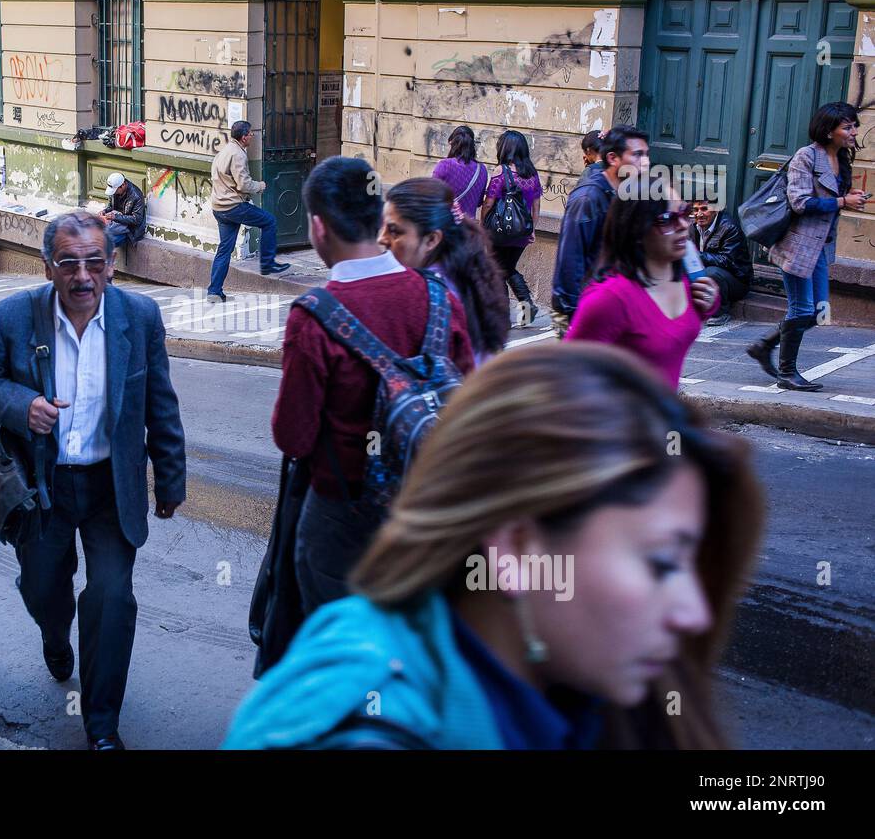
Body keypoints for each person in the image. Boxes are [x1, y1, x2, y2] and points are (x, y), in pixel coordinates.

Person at [223, 342, 764, 749]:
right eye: (662, 562)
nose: (694, 613)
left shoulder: (597, 683)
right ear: (518, 549)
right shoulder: (367, 728)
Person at [0, 211, 186, 750]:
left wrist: (171, 480)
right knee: (45, 588)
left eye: (95, 262)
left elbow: (159, 400)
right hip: (43, 486)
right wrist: (24, 406)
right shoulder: (11, 317)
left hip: (113, 486)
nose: (83, 276)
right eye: (69, 263)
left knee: (113, 598)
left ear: (111, 265)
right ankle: (53, 634)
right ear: (49, 268)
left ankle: (102, 726)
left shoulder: (140, 317)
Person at [273, 157, 471, 617]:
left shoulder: (313, 317)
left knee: (342, 655)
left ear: (318, 229)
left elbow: (293, 437)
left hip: (343, 522)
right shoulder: (440, 298)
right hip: (426, 517)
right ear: (378, 217)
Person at [747, 103, 868, 391]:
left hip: (821, 248)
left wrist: (849, 193)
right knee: (802, 308)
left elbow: (828, 193)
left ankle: (764, 346)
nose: (854, 131)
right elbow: (800, 202)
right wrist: (843, 201)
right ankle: (787, 373)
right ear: (829, 131)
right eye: (847, 126)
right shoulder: (806, 156)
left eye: (854, 125)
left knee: (816, 311)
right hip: (798, 245)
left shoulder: (840, 157)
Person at [565, 190, 720, 389]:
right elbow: (569, 376)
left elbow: (679, 328)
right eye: (666, 219)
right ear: (637, 229)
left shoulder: (684, 274)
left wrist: (709, 301)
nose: (683, 225)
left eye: (684, 213)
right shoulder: (608, 298)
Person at [380, 177, 510, 366]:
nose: (381, 239)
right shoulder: (467, 273)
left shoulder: (425, 294)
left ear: (432, 240)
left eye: (394, 231)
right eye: (382, 227)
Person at [552, 125, 649, 338]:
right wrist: (574, 314)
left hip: (612, 304)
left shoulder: (629, 194)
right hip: (583, 308)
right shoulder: (588, 198)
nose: (646, 162)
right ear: (613, 158)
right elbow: (571, 258)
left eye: (646, 154)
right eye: (638, 155)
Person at [207, 120, 288, 303]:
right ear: (244, 137)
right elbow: (243, 184)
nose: (252, 136)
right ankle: (267, 263)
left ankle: (214, 291)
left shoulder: (225, 150)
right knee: (269, 221)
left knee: (224, 250)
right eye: (251, 133)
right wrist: (260, 186)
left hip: (219, 207)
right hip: (233, 206)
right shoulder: (238, 154)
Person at [481, 130, 542, 326]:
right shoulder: (532, 174)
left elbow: (489, 202)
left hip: (500, 231)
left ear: (504, 148)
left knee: (500, 270)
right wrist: (532, 228)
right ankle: (526, 309)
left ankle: (508, 315)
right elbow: (536, 204)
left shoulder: (501, 171)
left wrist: (483, 227)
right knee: (506, 268)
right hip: (522, 231)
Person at [690, 200, 751, 326]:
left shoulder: (729, 227)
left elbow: (727, 260)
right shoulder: (693, 226)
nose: (699, 214)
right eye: (696, 210)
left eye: (704, 209)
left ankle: (720, 312)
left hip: (737, 280)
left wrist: (698, 256)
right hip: (708, 275)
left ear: (716, 209)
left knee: (711, 273)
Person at [431, 124, 488, 218]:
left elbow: (432, 196)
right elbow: (478, 203)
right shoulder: (481, 169)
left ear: (451, 143)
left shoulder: (444, 165)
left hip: (446, 224)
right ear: (472, 145)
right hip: (469, 228)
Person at [100, 172, 146, 249]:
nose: (114, 193)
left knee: (104, 243)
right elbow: (111, 206)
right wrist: (105, 211)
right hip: (116, 223)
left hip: (130, 230)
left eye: (115, 190)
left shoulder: (136, 196)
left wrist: (115, 217)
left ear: (123, 185)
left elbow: (137, 219)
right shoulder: (115, 190)